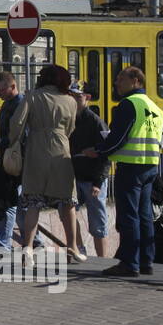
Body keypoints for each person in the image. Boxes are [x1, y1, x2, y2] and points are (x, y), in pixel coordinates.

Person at [83, 66, 163, 277]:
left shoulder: (129, 105)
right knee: (145, 215)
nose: (116, 83)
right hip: (150, 166)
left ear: (136, 80)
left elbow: (118, 139)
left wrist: (98, 151)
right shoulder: (155, 107)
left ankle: (129, 264)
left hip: (130, 167)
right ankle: (146, 262)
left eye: (120, 79)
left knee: (129, 217)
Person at [7, 64, 79, 265]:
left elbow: (17, 123)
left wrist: (13, 142)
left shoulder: (33, 96)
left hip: (36, 151)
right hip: (62, 151)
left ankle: (28, 248)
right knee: (67, 201)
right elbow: (71, 127)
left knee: (33, 202)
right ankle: (72, 247)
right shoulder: (70, 101)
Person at [0, 72, 43, 253]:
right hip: (10, 160)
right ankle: (34, 242)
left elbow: (20, 137)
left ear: (13, 87)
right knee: (19, 204)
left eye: (2, 89)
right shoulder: (8, 103)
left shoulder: (20, 105)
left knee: (9, 203)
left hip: (17, 163)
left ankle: (2, 245)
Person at [66, 82, 111, 259]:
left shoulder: (96, 122)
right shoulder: (68, 119)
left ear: (87, 98)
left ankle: (102, 259)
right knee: (69, 212)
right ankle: (79, 249)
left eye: (78, 97)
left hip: (92, 179)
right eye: (71, 97)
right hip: (74, 176)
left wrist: (98, 182)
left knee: (98, 222)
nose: (74, 100)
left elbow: (106, 154)